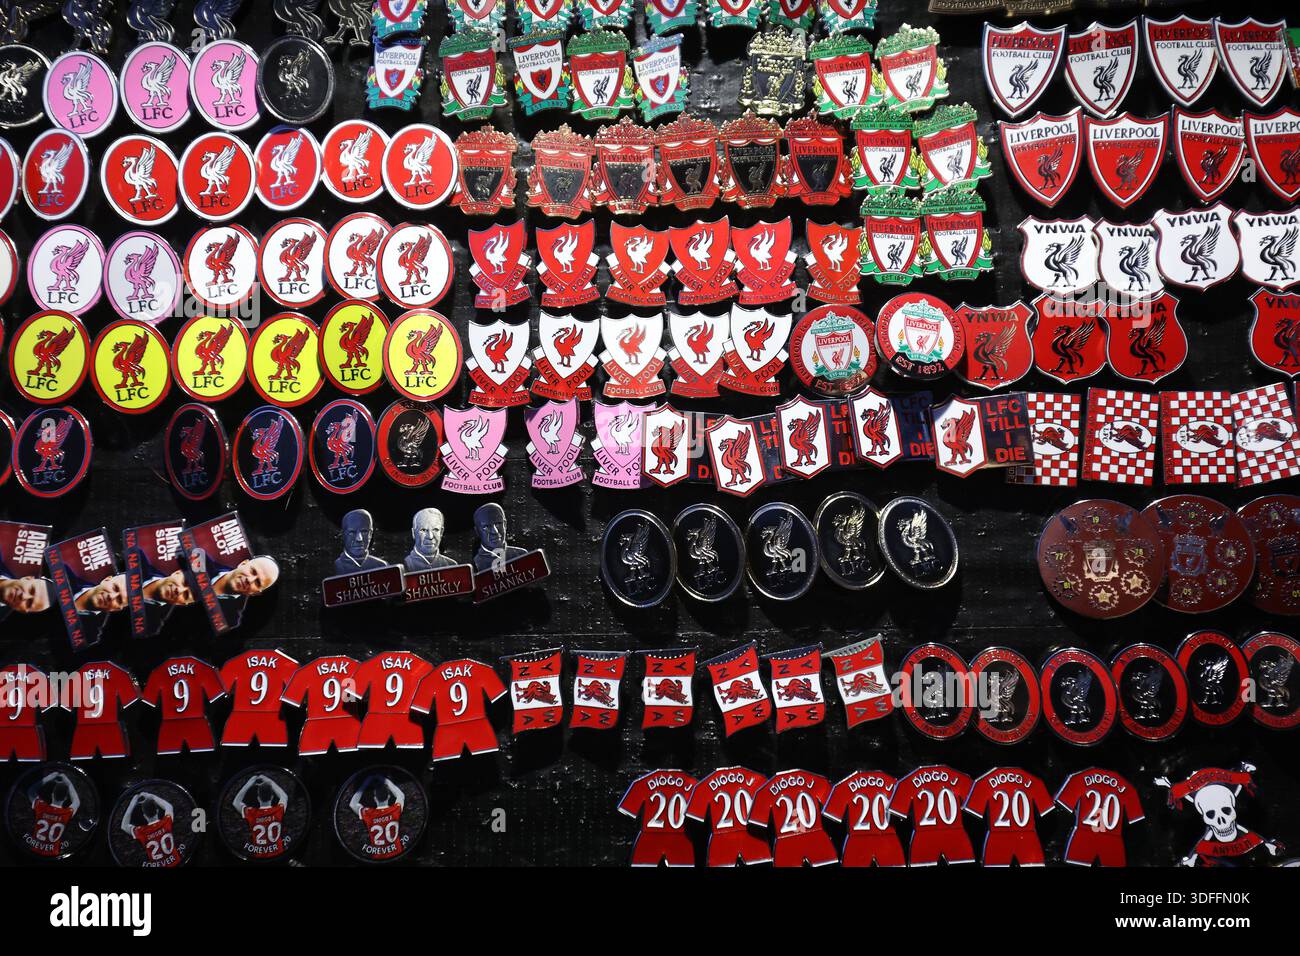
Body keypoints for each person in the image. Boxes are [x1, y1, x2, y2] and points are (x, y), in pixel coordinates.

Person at [472, 502, 527, 573]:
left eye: (498, 524)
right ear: (477, 531)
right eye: (486, 527)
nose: (495, 531)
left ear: (505, 525)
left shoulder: (521, 555)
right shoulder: (476, 564)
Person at [334, 510, 389, 576]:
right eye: (352, 532)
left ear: (370, 534)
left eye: (364, 532)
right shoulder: (333, 567)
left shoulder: (381, 566)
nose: (359, 539)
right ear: (343, 535)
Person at [404, 508, 457, 572]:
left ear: (441, 532)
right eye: (423, 530)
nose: (430, 536)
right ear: (413, 533)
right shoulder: (404, 566)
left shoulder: (451, 565)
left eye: (435, 530)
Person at [212, 556, 280, 597]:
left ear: (255, 593)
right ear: (242, 564)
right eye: (253, 571)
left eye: (257, 582)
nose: (250, 580)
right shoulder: (204, 562)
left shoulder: (232, 618)